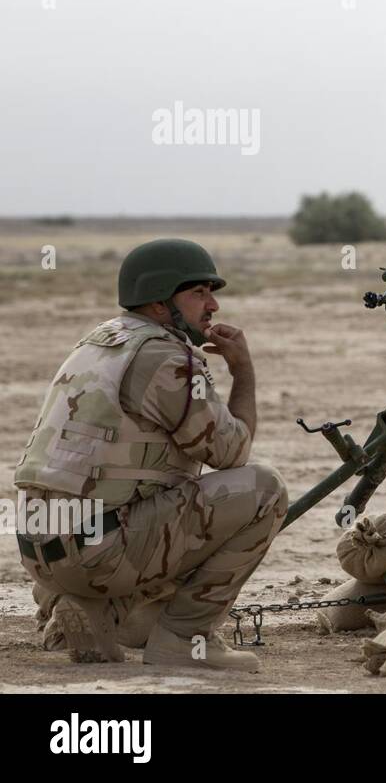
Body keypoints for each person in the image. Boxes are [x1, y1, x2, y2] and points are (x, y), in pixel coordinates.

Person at [14, 238, 287, 671]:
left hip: (38, 549)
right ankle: (185, 638)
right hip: (96, 550)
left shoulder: (98, 342)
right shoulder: (165, 358)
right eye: (198, 292)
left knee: (170, 497)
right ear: (160, 304)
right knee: (264, 490)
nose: (213, 305)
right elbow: (232, 453)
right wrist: (243, 371)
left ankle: (95, 611)